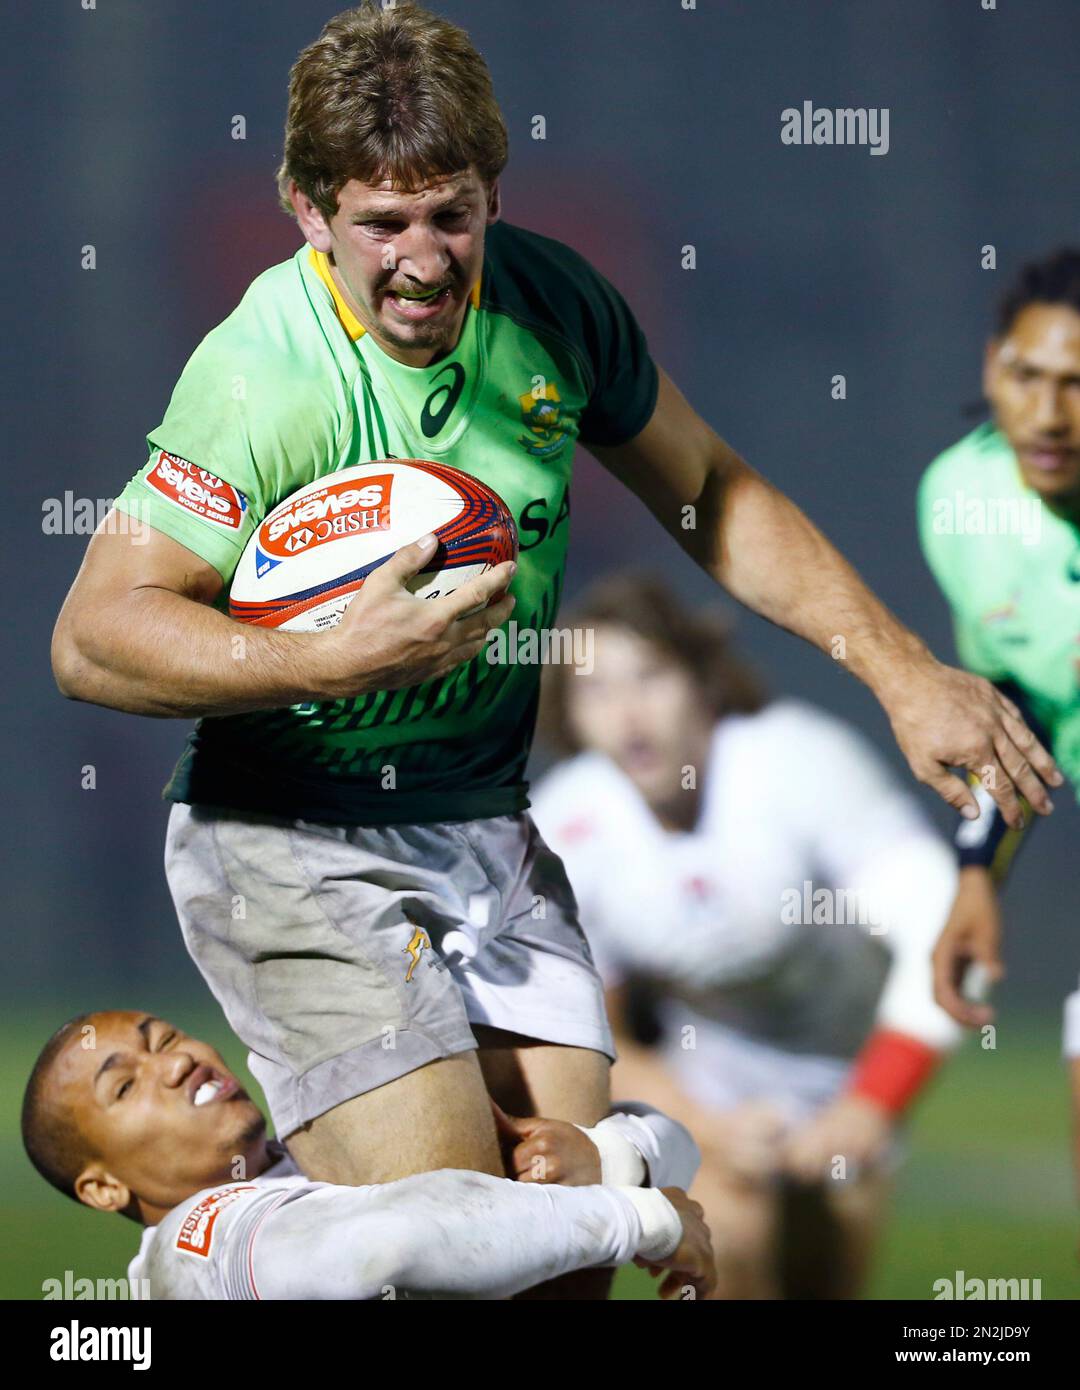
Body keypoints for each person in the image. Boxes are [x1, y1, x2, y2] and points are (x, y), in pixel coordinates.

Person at [49, 1, 1058, 1285]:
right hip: (290, 838)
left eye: (452, 214)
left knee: (555, 1256)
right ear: (305, 209)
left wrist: (904, 670)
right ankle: (208, 1262)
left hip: (484, 826)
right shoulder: (264, 377)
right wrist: (320, 659)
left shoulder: (556, 304)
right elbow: (92, 638)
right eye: (380, 224)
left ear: (494, 191)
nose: (424, 263)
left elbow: (711, 492)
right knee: (457, 1242)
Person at [530, 575, 962, 1298]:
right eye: (595, 690)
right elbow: (580, 1036)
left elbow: (947, 930)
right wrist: (703, 1122)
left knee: (824, 1278)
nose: (628, 712)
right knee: (728, 1244)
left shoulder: (798, 764)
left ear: (702, 682)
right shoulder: (568, 824)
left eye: (650, 676)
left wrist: (873, 1101)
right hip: (705, 1077)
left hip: (845, 1069)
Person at [21, 1009, 712, 1300]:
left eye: (165, 1040)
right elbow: (388, 1244)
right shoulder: (199, 1252)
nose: (176, 1066)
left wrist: (606, 1159)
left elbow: (678, 1140)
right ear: (103, 1189)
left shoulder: (313, 1149)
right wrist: (641, 1217)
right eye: (125, 1084)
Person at [918, 248, 1080, 1185]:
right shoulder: (960, 499)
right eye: (1027, 377)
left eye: (1077, 385)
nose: (1048, 414)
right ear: (991, 368)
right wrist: (977, 875)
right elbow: (1012, 711)